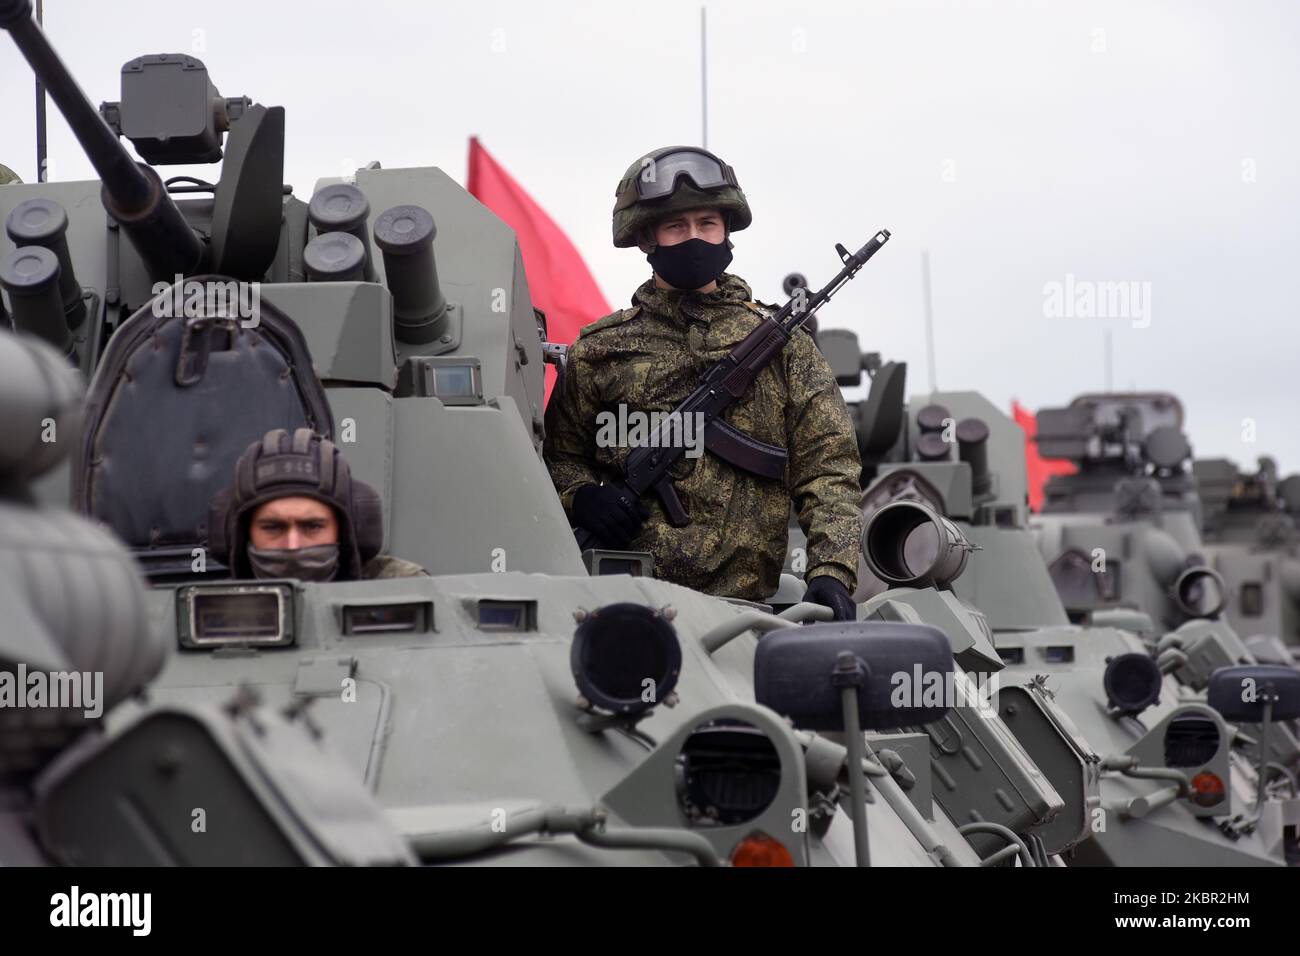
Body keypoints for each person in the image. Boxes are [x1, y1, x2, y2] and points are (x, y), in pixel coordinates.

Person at [543, 146, 862, 619]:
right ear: (647, 238)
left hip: (749, 614)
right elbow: (558, 457)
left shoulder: (783, 347)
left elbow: (829, 467)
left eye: (707, 224)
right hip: (620, 610)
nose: (694, 238)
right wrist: (583, 496)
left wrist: (832, 573)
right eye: (677, 227)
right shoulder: (601, 350)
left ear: (726, 230)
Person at [210, 427, 426, 581]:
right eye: (272, 527)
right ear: (241, 534)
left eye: (312, 526)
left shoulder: (402, 592)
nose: (292, 546)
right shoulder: (208, 614)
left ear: (345, 530)